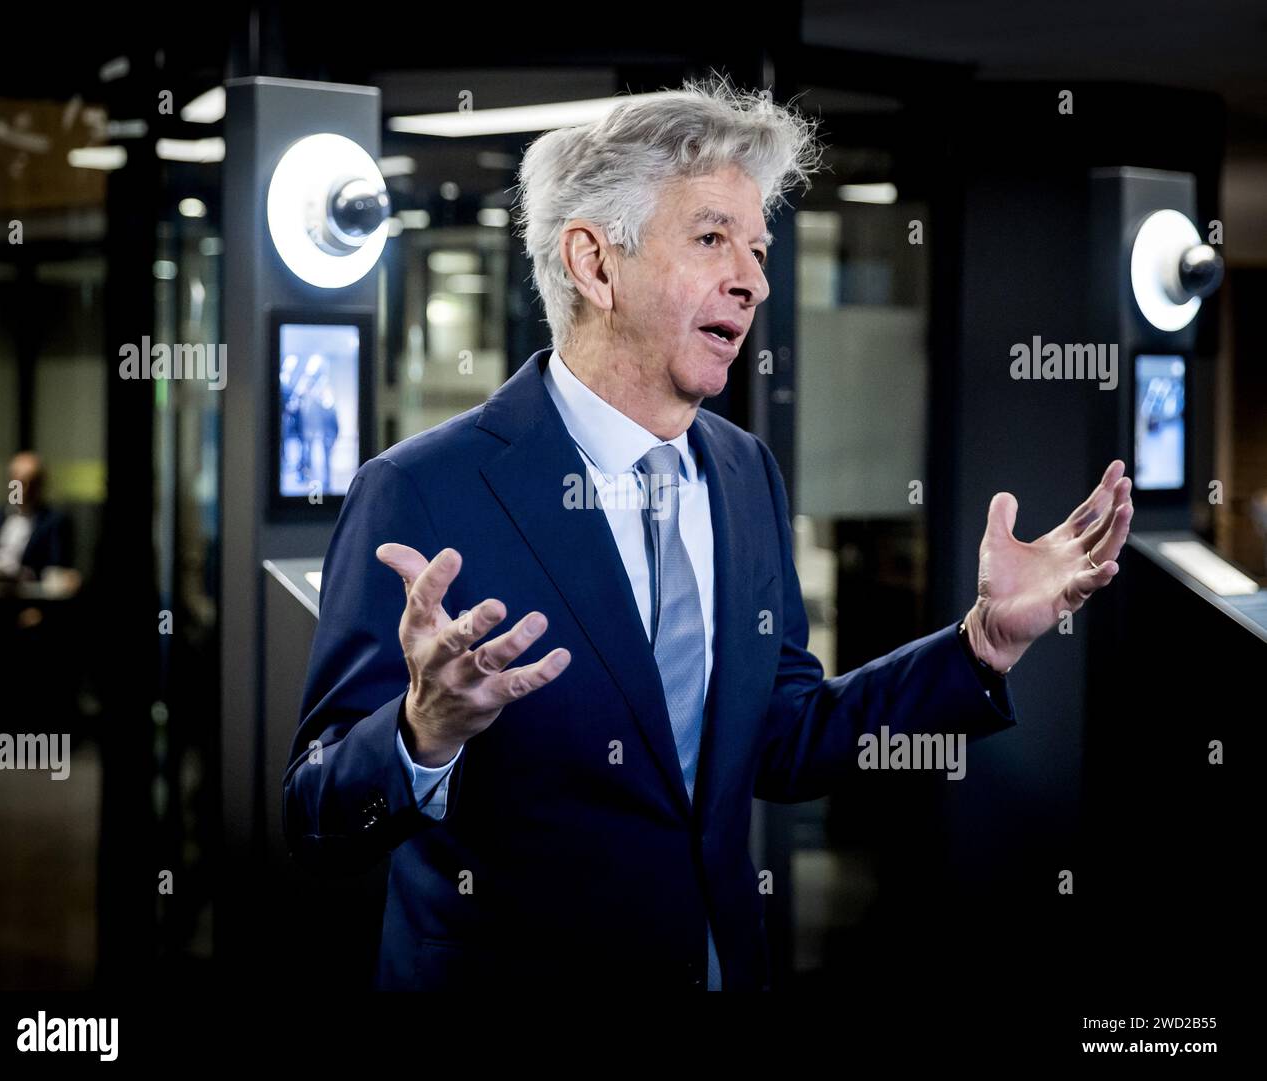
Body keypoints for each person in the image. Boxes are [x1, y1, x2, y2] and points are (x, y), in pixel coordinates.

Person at [283, 78, 1132, 991]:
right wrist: (422, 732)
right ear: (595, 264)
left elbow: (786, 733)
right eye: (712, 238)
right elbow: (316, 818)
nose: (755, 279)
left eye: (759, 249)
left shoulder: (743, 473)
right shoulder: (419, 491)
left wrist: (980, 644)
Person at [0, 451, 74, 581]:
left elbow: (55, 567)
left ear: (40, 485)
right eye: (20, 482)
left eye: (32, 482)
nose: (25, 489)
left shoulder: (54, 520)